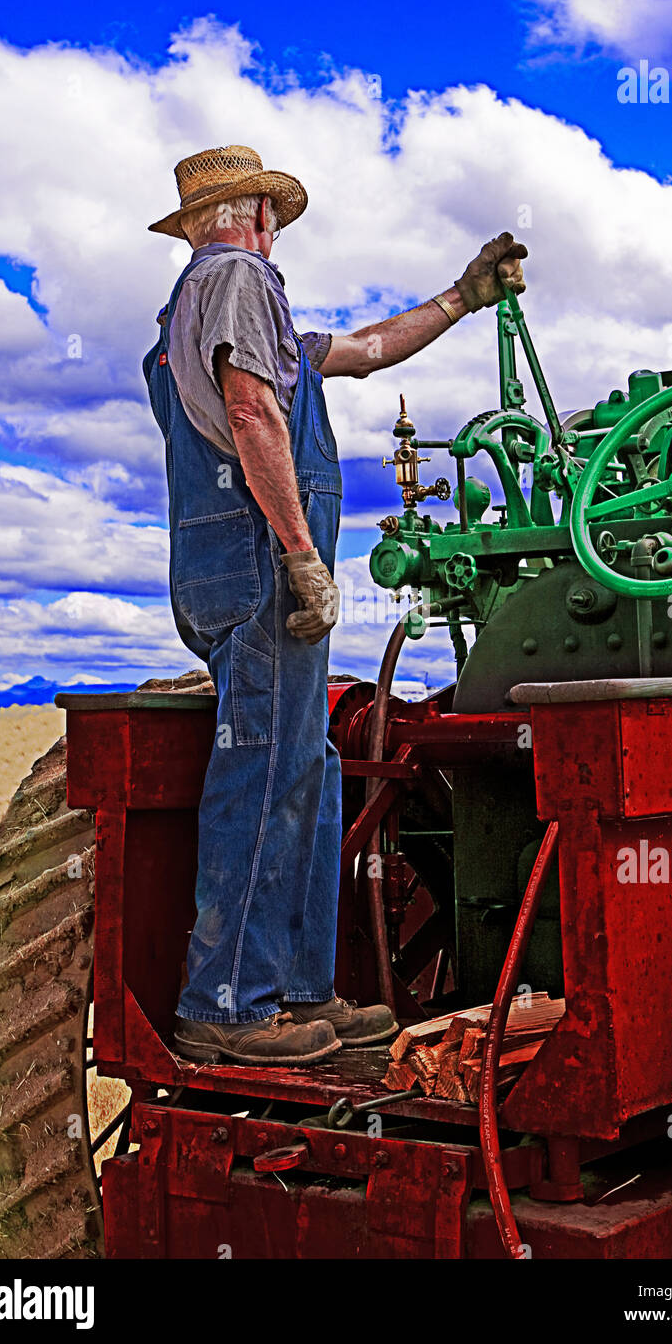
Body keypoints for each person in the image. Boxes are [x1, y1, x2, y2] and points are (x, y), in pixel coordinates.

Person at [144, 144, 527, 1065]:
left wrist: (462, 297)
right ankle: (228, 1006)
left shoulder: (194, 315)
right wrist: (303, 554)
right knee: (267, 771)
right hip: (260, 563)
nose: (276, 235)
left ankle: (301, 990)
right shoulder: (237, 276)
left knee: (304, 767)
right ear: (256, 217)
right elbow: (252, 414)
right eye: (273, 218)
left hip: (224, 562)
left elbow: (364, 350)